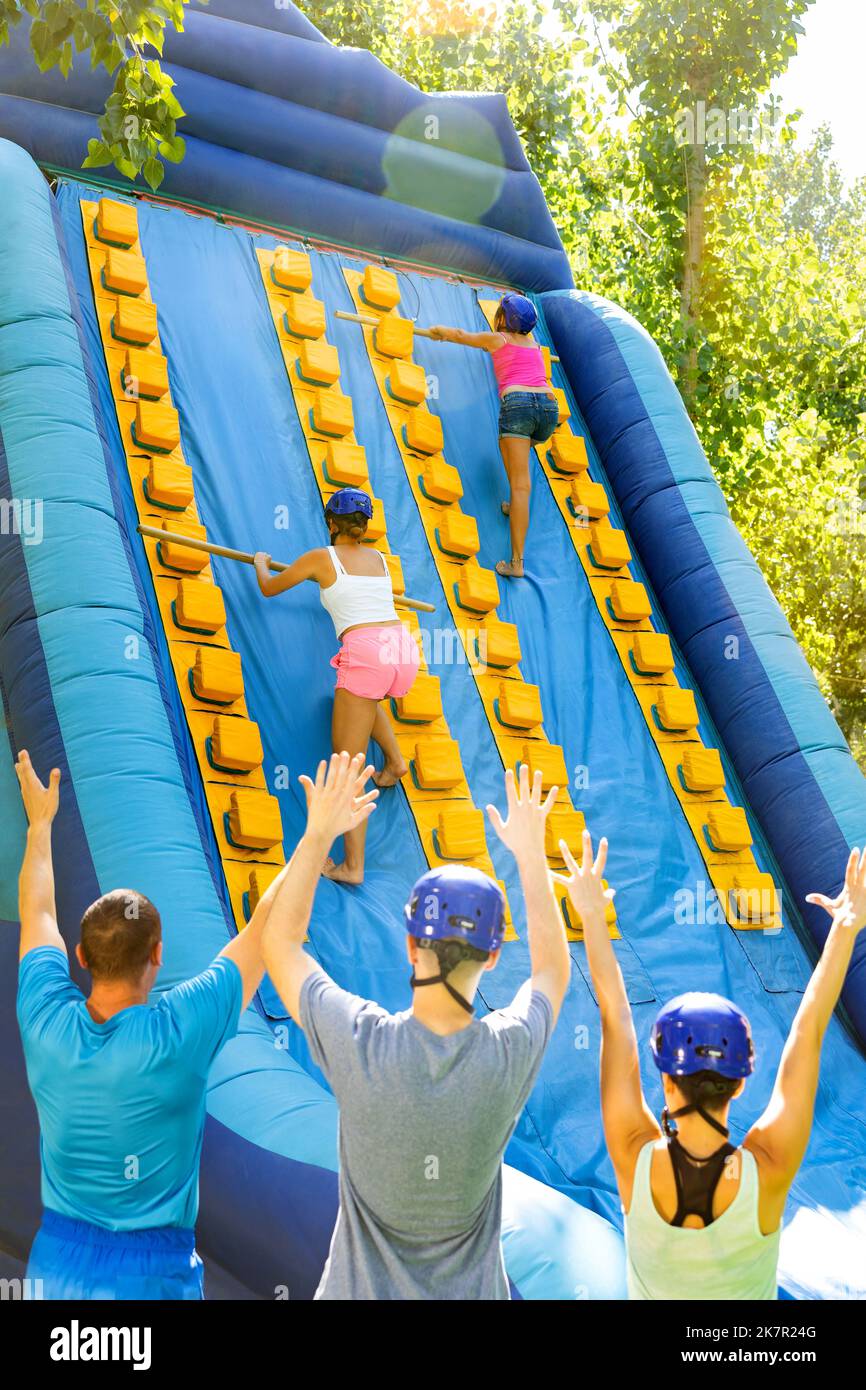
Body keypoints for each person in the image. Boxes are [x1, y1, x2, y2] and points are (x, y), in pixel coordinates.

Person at [260, 753, 570, 1299]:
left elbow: (280, 943)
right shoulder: (507, 1055)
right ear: (493, 957)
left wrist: (317, 835)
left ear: (410, 944)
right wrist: (529, 856)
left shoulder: (361, 1041)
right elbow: (550, 970)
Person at [14, 747, 295, 1299]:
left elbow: (38, 910)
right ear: (159, 956)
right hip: (151, 1277)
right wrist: (315, 837)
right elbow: (265, 930)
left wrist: (40, 824)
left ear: (80, 956)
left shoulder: (43, 1015)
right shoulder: (178, 1033)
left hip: (55, 1269)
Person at [557, 827, 866, 1300]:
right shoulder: (769, 1167)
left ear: (666, 1078)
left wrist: (593, 916)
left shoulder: (634, 1155)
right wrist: (844, 929)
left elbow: (615, 1016)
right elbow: (807, 1032)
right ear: (740, 1084)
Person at [254, 486, 421, 885]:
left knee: (348, 766)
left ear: (331, 522)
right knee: (362, 702)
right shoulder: (380, 559)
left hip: (365, 653)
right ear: (364, 525)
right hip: (401, 648)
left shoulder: (320, 558)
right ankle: (396, 763)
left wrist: (262, 563)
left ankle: (353, 867)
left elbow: (269, 587)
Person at [428, 291, 559, 579]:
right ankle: (515, 504)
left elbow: (463, 335)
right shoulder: (534, 344)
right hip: (549, 409)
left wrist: (439, 332)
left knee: (520, 483)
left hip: (518, 405)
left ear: (503, 320)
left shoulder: (499, 339)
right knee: (520, 453)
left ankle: (517, 563)